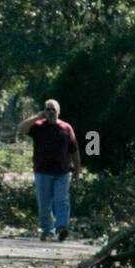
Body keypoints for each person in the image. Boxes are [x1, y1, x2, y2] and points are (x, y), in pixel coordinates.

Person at [17, 99, 81, 242]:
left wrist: (77, 170)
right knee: (44, 203)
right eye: (47, 109)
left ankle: (62, 228)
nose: (50, 112)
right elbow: (21, 128)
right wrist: (37, 117)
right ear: (44, 111)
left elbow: (74, 151)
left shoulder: (66, 128)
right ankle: (47, 231)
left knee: (62, 200)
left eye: (53, 109)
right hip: (42, 172)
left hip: (62, 173)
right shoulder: (38, 126)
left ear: (58, 111)